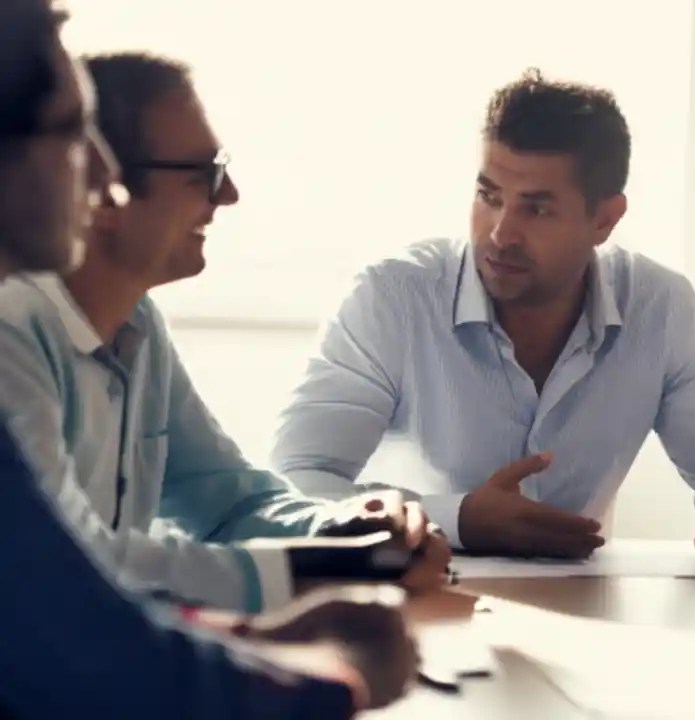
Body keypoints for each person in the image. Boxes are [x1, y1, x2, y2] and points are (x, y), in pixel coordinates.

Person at [0, 2, 415, 714]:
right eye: (74, 131)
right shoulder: (12, 326)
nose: (103, 170)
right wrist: (336, 655)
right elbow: (75, 587)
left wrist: (343, 530)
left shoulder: (139, 326)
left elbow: (220, 496)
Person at [271, 69, 695, 563]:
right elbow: (293, 484)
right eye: (488, 196)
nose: (500, 233)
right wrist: (458, 518)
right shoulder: (392, 298)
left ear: (605, 219)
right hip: (411, 593)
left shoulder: (661, 308)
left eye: (536, 208)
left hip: (578, 608)